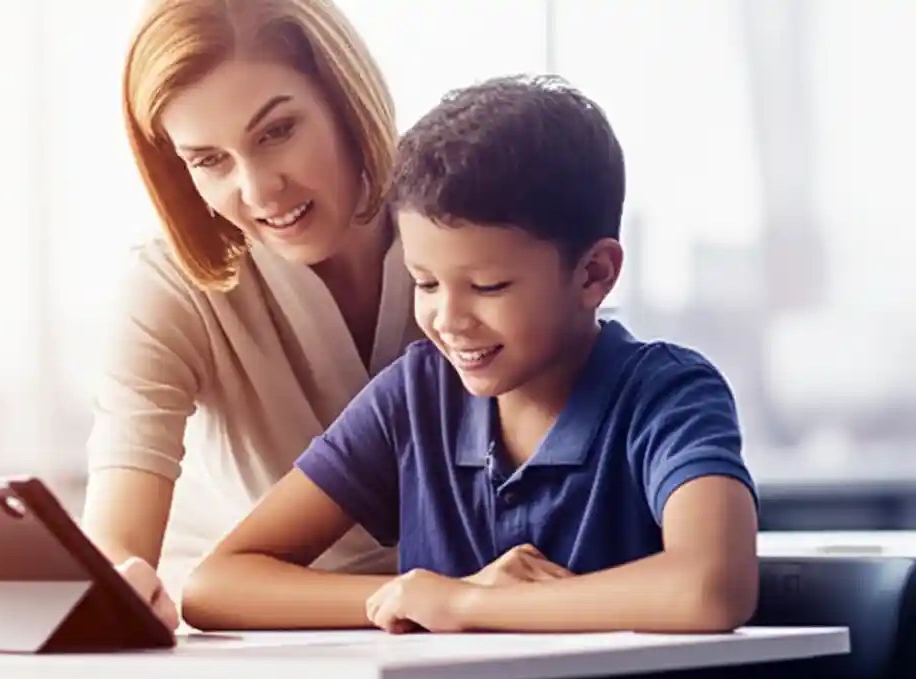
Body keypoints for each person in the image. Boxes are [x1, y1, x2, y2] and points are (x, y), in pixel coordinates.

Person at [182, 75, 760, 635]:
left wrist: (464, 604)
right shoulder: (415, 398)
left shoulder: (668, 395)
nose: (447, 321)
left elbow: (710, 588)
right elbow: (217, 586)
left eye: (488, 287)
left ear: (594, 274)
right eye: (425, 284)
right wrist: (420, 595)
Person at [82, 0, 423, 630]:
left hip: (454, 637)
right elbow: (116, 553)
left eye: (276, 132)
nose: (261, 191)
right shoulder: (171, 285)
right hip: (250, 643)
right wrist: (120, 585)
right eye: (209, 161)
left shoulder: (461, 233)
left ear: (345, 100)